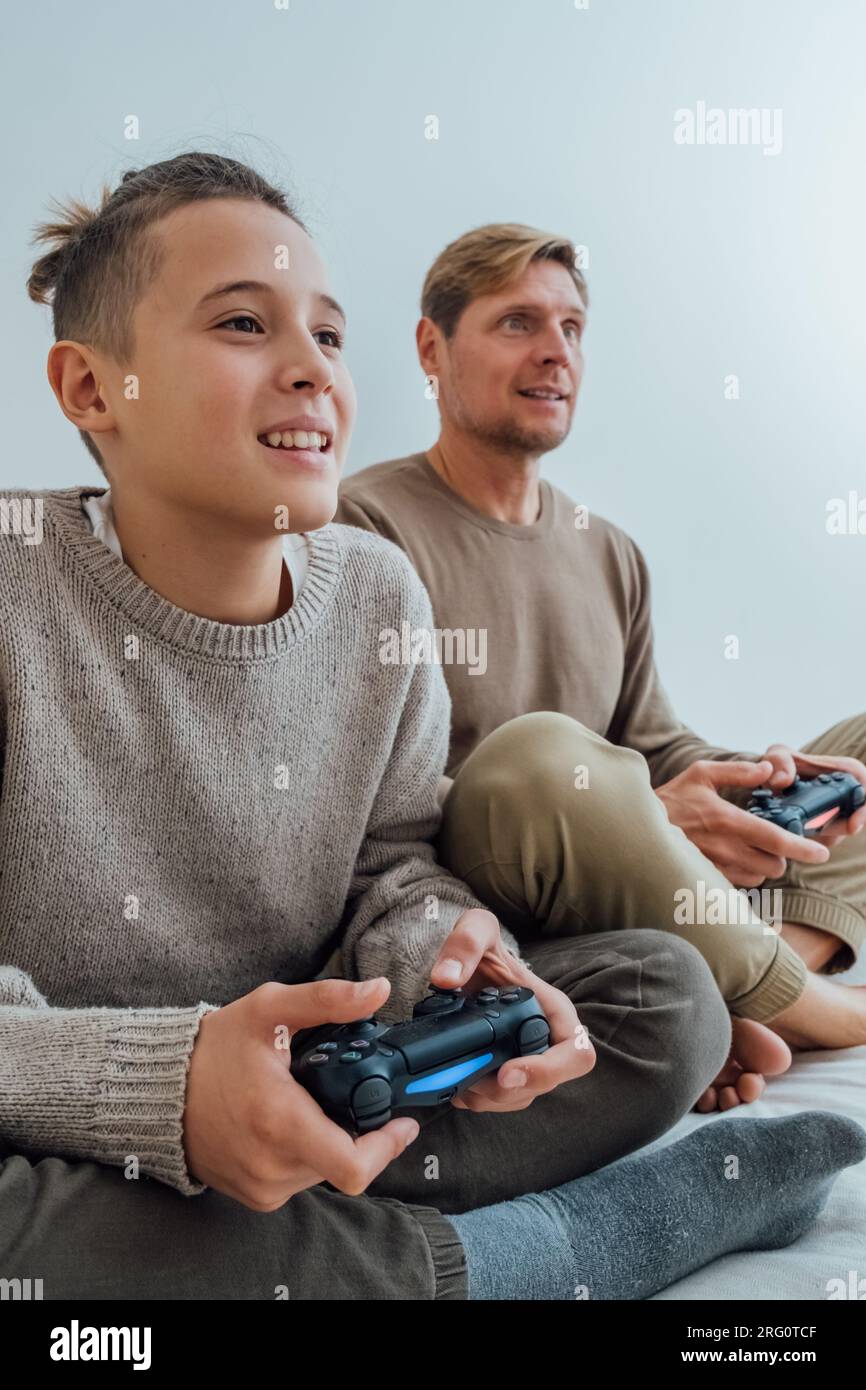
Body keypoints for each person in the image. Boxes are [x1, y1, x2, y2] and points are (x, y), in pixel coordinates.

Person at [1, 153, 862, 1303]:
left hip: (336, 1070)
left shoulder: (373, 591)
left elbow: (391, 860)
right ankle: (539, 1252)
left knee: (663, 997)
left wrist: (455, 954)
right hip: (58, 1100)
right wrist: (163, 1089)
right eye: (245, 324)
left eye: (328, 335)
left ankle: (272, 1226)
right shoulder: (20, 590)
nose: (309, 368)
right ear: (92, 389)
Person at [334, 221, 866, 1112]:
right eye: (517, 324)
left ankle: (753, 987)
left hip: (629, 872)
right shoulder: (364, 531)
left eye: (572, 328)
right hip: (497, 891)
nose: (555, 353)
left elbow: (652, 743)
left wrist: (753, 779)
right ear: (433, 348)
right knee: (538, 761)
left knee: (856, 749)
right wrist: (643, 813)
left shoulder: (608, 551)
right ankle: (825, 1010)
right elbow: (370, 802)